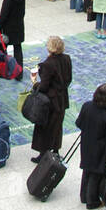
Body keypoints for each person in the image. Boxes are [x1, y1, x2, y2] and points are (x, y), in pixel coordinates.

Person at [29, 35, 72, 163]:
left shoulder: (48, 64)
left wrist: (35, 83)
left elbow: (44, 86)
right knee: (57, 126)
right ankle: (56, 150)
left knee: (45, 127)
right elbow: (68, 78)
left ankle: (43, 153)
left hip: (50, 101)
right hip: (62, 98)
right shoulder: (66, 59)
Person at [75, 83, 106, 209]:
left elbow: (79, 123)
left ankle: (83, 196)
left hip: (86, 144)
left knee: (86, 169)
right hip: (100, 148)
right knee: (96, 174)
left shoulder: (87, 106)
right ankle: (92, 201)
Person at [0, 0, 26, 70]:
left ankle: (0, 68)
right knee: (18, 49)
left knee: (2, 48)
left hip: (8, 29)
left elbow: (3, 16)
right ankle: (19, 72)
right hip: (19, 26)